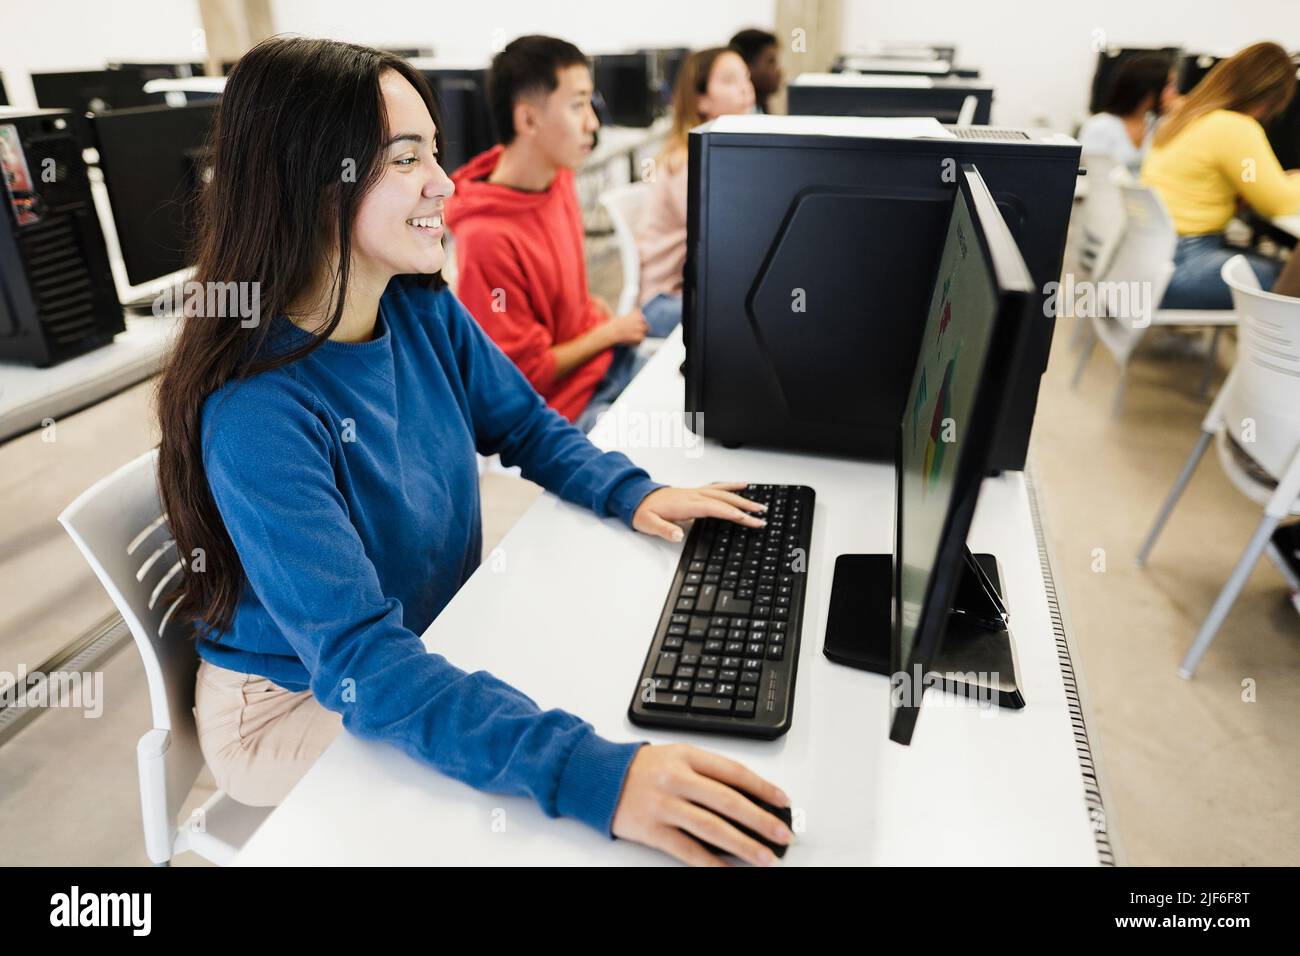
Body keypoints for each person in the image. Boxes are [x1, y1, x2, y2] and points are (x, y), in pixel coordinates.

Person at [155, 36, 793, 867]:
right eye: (405, 159)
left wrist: (631, 491)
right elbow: (363, 665)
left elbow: (524, 426)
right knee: (525, 826)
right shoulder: (258, 412)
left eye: (435, 153)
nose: (444, 183)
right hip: (291, 702)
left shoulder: (417, 310)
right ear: (313, 180)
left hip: (414, 641)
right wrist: (595, 777)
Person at [445, 35, 655, 433]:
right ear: (527, 120)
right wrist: (608, 331)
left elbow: (562, 294)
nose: (592, 123)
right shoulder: (485, 238)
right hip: (566, 410)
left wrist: (596, 316)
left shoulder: (557, 177)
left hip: (610, 362)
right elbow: (527, 375)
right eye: (577, 106)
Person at [1141, 42, 1300, 310]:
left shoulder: (1188, 117)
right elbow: (1279, 203)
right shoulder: (1234, 127)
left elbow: (1251, 178)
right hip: (1182, 267)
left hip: (1148, 262)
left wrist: (1279, 179)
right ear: (1274, 97)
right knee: (1289, 278)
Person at [636, 47, 755, 335]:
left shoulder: (727, 155)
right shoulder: (688, 162)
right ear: (700, 99)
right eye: (729, 80)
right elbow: (720, 243)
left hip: (695, 292)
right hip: (663, 300)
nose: (745, 89)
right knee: (749, 321)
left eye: (746, 78)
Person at [1078, 53, 1174, 174]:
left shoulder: (1159, 125)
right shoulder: (1100, 126)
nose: (1175, 92)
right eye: (1170, 85)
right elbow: (1091, 175)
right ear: (1150, 91)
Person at [729, 28, 782, 114]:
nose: (779, 70)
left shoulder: (760, 106)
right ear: (746, 66)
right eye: (771, 62)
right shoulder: (738, 114)